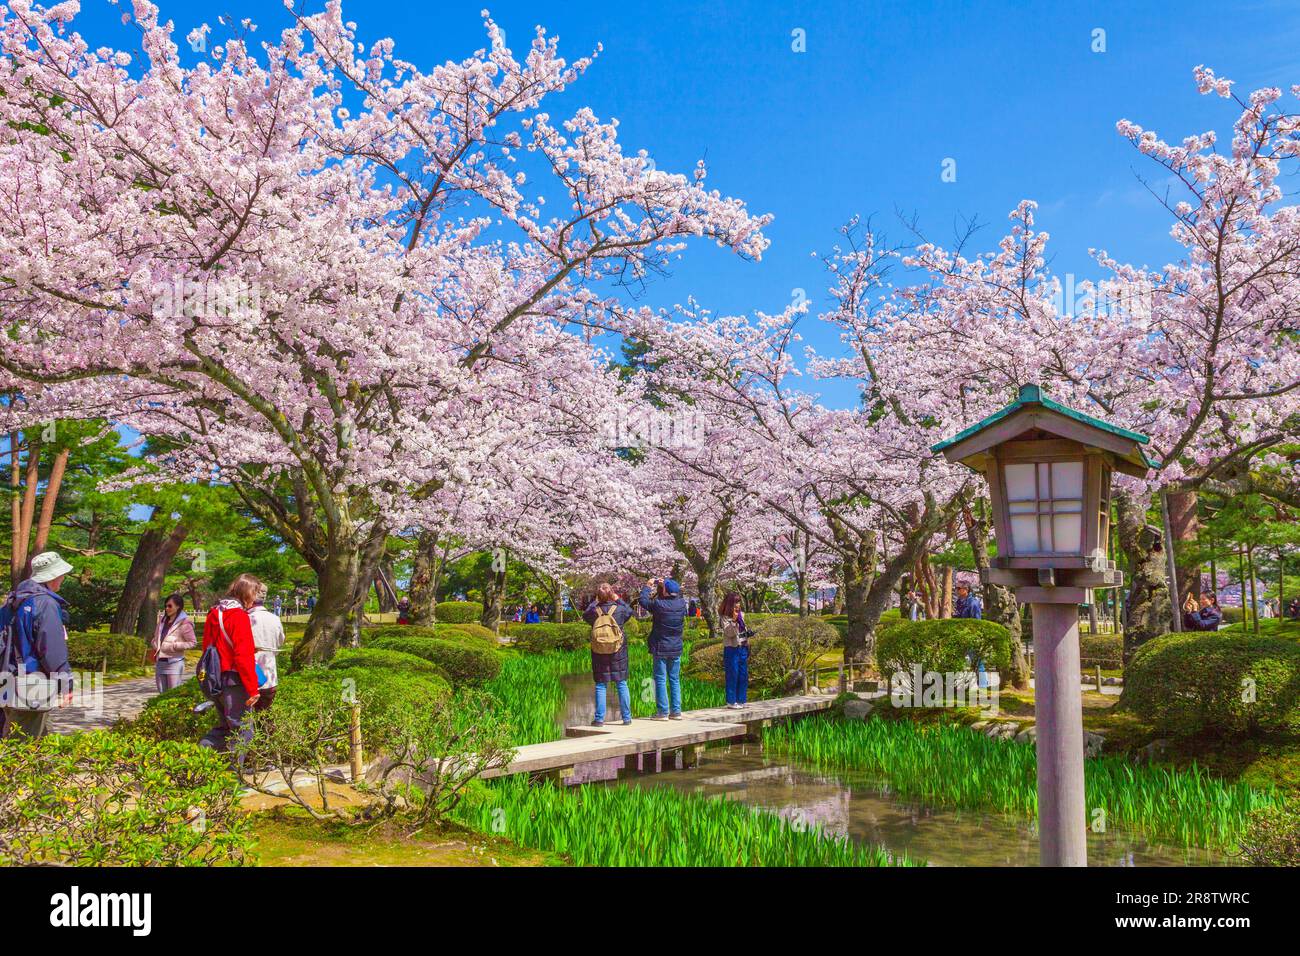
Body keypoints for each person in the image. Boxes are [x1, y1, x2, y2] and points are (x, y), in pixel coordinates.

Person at [0, 550, 74, 739]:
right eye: (61, 574)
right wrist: (65, 683)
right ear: (53, 576)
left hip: (6, 680)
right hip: (33, 683)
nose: (63, 578)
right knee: (20, 748)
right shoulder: (45, 604)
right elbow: (52, 651)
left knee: (40, 742)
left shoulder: (11, 603)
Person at [199, 573, 262, 763]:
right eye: (256, 592)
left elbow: (207, 649)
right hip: (235, 682)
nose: (256, 598)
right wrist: (253, 689)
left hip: (216, 680)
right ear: (247, 592)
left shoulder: (214, 613)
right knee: (243, 729)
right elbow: (243, 657)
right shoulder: (239, 616)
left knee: (226, 726)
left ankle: (200, 755)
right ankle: (234, 776)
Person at [583, 583, 634, 726]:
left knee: (601, 684)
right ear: (612, 594)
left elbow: (585, 615)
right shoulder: (620, 609)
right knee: (621, 683)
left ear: (598, 596)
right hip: (618, 650)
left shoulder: (594, 612)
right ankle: (626, 718)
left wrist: (595, 602)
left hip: (599, 651)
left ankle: (599, 719)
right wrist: (618, 599)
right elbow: (630, 611)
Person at [640, 577, 686, 721]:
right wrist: (665, 584)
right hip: (676, 646)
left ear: (665, 592)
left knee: (660, 679)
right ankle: (676, 711)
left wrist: (648, 586)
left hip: (661, 646)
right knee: (674, 679)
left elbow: (643, 601)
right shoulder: (681, 603)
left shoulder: (659, 604)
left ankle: (662, 712)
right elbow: (675, 593)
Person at [248, 582, 285, 711]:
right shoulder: (275, 618)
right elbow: (280, 643)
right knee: (266, 717)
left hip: (249, 678)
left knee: (247, 722)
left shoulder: (245, 619)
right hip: (270, 676)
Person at [151, 592, 197, 693]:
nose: (167, 608)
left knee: (173, 693)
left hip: (174, 663)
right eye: (165, 606)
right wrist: (154, 643)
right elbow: (155, 638)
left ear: (178, 607)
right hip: (160, 663)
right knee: (161, 694)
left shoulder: (185, 623)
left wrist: (174, 646)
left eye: (170, 606)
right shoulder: (162, 621)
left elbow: (193, 642)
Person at [720, 592, 749, 709]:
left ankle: (741, 700)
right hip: (731, 648)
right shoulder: (724, 617)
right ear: (730, 604)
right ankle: (731, 701)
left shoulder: (742, 615)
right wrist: (734, 621)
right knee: (733, 674)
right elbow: (729, 633)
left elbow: (742, 632)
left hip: (743, 647)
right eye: (736, 602)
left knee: (743, 674)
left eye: (739, 602)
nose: (738, 605)